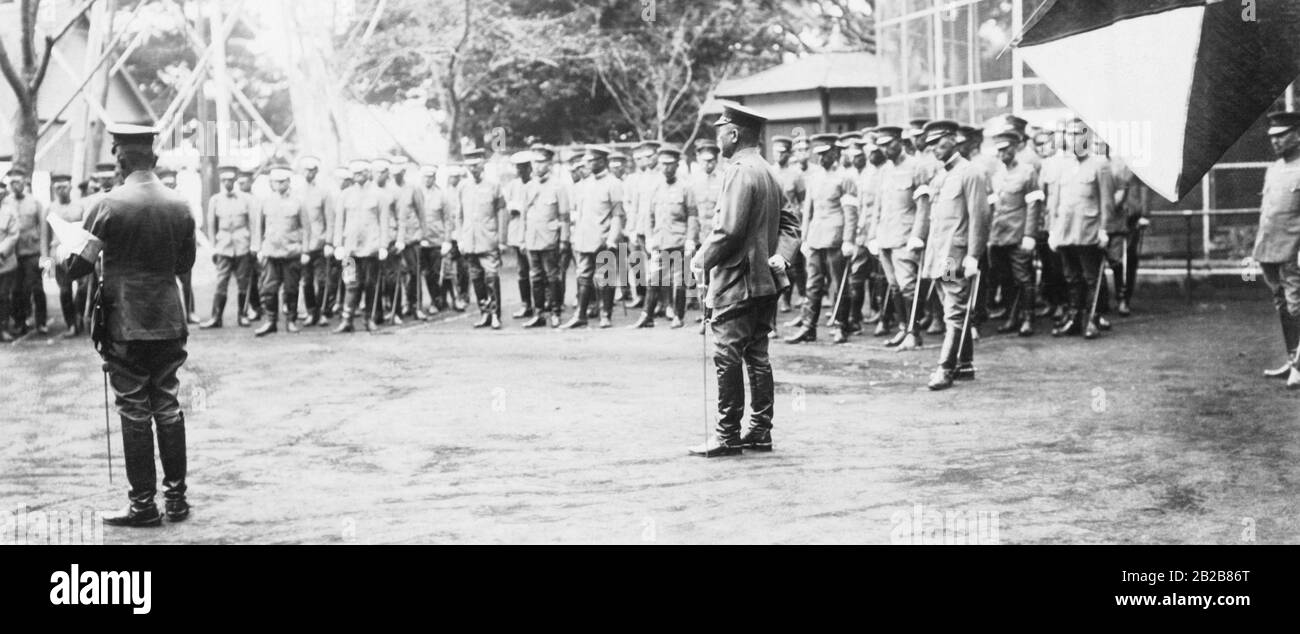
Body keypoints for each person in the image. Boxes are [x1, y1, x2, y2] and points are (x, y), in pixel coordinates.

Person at [62, 124, 196, 527]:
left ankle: (142, 506)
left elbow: (75, 268)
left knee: (134, 410)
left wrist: (62, 249)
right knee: (168, 405)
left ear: (120, 157)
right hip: (168, 318)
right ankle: (176, 500)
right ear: (152, 158)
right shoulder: (180, 204)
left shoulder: (107, 204)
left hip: (125, 321)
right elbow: (184, 265)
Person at [689, 103, 799, 457]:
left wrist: (700, 260)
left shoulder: (739, 170)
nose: (718, 138)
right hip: (765, 281)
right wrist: (781, 255)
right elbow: (791, 224)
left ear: (734, 135)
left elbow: (728, 230)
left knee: (727, 356)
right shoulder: (766, 170)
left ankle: (727, 434)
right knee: (757, 355)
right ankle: (760, 431)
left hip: (737, 281)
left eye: (721, 131)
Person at [913, 120, 990, 391]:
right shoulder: (940, 176)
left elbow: (979, 216)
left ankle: (945, 368)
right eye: (930, 143)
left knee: (954, 311)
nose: (933, 148)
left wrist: (973, 255)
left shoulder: (970, 173)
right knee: (952, 307)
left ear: (954, 139)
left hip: (953, 257)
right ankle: (965, 363)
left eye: (938, 142)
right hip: (940, 256)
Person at [865, 125, 935, 350]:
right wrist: (872, 235)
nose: (885, 149)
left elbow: (923, 206)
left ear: (899, 141)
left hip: (905, 236)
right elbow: (878, 205)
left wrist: (918, 235)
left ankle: (914, 332)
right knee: (893, 286)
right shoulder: (884, 170)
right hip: (885, 236)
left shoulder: (916, 167)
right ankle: (904, 328)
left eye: (889, 144)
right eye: (881, 145)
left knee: (907, 286)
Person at [785, 133, 858, 345]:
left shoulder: (845, 179)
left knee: (838, 284)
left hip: (836, 238)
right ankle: (809, 327)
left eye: (826, 154)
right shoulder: (814, 178)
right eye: (819, 154)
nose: (821, 158)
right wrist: (805, 239)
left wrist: (848, 240)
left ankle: (840, 326)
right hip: (816, 237)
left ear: (835, 153)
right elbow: (808, 211)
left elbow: (851, 213)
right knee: (813, 284)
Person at [1047, 118, 1114, 340]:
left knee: (1091, 277)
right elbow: (1055, 202)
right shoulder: (1062, 165)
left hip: (1088, 230)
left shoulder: (1100, 164)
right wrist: (1052, 231)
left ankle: (1093, 318)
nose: (1073, 139)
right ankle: (1075, 318)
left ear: (1088, 138)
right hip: (1065, 231)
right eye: (1070, 134)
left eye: (1078, 135)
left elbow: (1107, 202)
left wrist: (1104, 230)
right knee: (1071, 278)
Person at [1254, 110, 1300, 388]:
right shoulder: (1273, 169)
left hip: (1293, 250)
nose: (1275, 142)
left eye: (1281, 136)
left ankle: (1299, 366)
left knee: (1297, 306)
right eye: (1272, 137)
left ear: (1297, 135)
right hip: (1269, 249)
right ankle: (1293, 358)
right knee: (1281, 303)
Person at [631, 145, 697, 330]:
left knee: (679, 281)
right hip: (660, 241)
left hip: (679, 241)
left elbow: (692, 215)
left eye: (670, 164)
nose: (666, 168)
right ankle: (647, 316)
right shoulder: (655, 188)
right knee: (654, 279)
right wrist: (650, 237)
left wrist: (691, 238)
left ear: (677, 165)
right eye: (662, 164)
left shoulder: (686, 187)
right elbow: (649, 216)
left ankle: (678, 316)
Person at [987, 130, 1044, 336]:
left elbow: (1034, 206)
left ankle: (1028, 317)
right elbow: (994, 209)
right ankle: (1012, 316)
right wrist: (989, 237)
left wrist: (1030, 235)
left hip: (1019, 234)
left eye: (1005, 149)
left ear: (1015, 148)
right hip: (999, 236)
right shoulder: (997, 175)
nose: (1002, 154)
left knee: (1023, 278)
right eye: (999, 150)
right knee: (1006, 278)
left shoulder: (1027, 172)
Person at [564, 146, 625, 329]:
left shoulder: (613, 183)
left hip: (603, 239)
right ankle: (580, 314)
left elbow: (618, 215)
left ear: (602, 161)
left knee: (605, 278)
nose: (587, 164)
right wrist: (575, 236)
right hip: (584, 239)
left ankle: (605, 314)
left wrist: (612, 239)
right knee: (583, 277)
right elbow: (578, 213)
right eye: (587, 161)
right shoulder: (583, 184)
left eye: (591, 161)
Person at [333, 160, 393, 333]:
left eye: (361, 172)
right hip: (350, 249)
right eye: (355, 172)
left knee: (370, 284)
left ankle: (369, 318)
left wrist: (383, 246)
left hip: (371, 248)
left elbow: (384, 222)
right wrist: (338, 244)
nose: (358, 175)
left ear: (368, 173)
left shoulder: (379, 195)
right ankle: (347, 320)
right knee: (350, 283)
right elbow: (339, 222)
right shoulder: (345, 195)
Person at [250, 166, 311, 337]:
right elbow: (258, 228)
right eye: (276, 181)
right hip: (271, 252)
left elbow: (306, 228)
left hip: (291, 252)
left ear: (289, 182)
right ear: (271, 183)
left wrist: (305, 251)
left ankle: (291, 320)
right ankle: (271, 321)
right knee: (268, 289)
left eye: (283, 181)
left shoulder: (298, 202)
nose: (280, 184)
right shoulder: (265, 202)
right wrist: (259, 248)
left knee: (291, 288)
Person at [455, 148, 508, 330]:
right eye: (470, 166)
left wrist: (501, 240)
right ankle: (484, 312)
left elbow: (502, 213)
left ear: (483, 164)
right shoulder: (463, 186)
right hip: (470, 241)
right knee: (476, 278)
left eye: (476, 165)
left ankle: (495, 314)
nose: (473, 169)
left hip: (488, 239)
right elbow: (459, 215)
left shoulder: (494, 185)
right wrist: (460, 239)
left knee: (491, 277)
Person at [521, 146, 571, 329]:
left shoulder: (558, 186)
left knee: (553, 277)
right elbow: (524, 216)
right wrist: (522, 239)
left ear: (549, 164)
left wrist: (564, 239)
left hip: (550, 239)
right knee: (535, 277)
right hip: (532, 239)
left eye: (541, 162)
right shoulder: (528, 187)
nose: (537, 166)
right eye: (534, 162)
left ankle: (556, 312)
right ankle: (539, 313)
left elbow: (564, 216)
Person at [200, 166, 255, 329]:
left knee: (243, 281)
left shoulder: (246, 199)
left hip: (242, 245)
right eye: (224, 180)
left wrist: (254, 245)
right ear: (221, 181)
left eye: (230, 180)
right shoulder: (215, 200)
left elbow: (252, 224)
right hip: (223, 246)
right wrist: (213, 247)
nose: (228, 183)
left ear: (235, 180)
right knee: (221, 281)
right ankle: (216, 317)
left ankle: (242, 315)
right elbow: (211, 226)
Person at [3, 168, 47, 335]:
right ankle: (20, 323)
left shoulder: (35, 203)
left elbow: (43, 231)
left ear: (25, 182)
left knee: (36, 288)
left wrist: (44, 256)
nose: (16, 186)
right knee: (17, 290)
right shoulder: (6, 203)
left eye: (18, 182)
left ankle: (41, 322)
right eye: (12, 182)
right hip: (13, 254)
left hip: (32, 253)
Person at [45, 174, 90, 338]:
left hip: (78, 252)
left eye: (64, 186)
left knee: (83, 287)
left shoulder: (80, 206)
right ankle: (71, 324)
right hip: (58, 255)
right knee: (64, 291)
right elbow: (45, 237)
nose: (61, 190)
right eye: (57, 187)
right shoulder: (50, 208)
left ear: (70, 187)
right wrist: (46, 265)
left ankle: (79, 317)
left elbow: (87, 230)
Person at [297, 156, 333, 326]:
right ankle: (311, 311)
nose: (308, 173)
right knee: (306, 280)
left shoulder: (324, 193)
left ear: (316, 172)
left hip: (319, 242)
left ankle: (323, 311)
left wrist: (328, 242)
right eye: (305, 169)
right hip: (303, 244)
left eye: (312, 170)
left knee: (322, 280)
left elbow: (329, 220)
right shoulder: (296, 193)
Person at [504, 151, 535, 319]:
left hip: (534, 234)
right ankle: (526, 304)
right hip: (517, 233)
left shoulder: (536, 184)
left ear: (530, 168)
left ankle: (542, 304)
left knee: (538, 271)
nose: (520, 171)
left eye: (523, 168)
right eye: (518, 168)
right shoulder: (512, 185)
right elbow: (507, 205)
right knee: (522, 270)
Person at [417, 164, 450, 316]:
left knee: (436, 273)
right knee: (424, 272)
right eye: (425, 177)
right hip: (422, 239)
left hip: (437, 239)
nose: (427, 180)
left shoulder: (442, 195)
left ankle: (436, 301)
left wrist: (447, 240)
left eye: (430, 177)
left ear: (434, 178)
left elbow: (448, 219)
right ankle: (422, 302)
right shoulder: (418, 193)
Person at [0, 186, 17, 343]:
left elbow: (13, 235)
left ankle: (4, 328)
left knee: (4, 296)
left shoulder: (9, 211)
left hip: (5, 262)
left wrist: (1, 252)